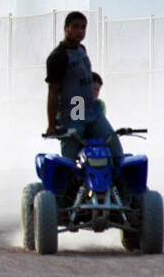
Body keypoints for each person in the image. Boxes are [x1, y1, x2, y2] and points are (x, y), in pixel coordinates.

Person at [45, 12, 121, 164]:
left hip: (92, 109)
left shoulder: (82, 50)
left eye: (83, 27)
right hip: (75, 109)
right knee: (70, 162)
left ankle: (118, 186)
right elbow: (53, 92)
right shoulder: (58, 57)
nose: (80, 31)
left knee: (114, 150)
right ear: (66, 28)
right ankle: (66, 186)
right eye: (76, 27)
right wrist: (52, 125)